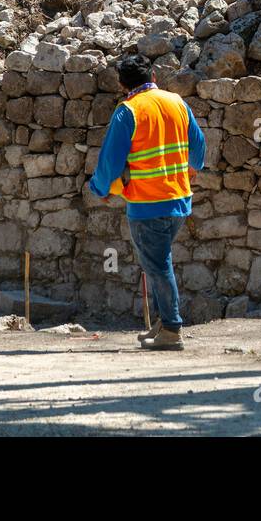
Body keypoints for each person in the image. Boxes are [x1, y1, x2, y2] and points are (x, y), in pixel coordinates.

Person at [89, 55, 206, 350]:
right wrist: (194, 168)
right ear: (153, 74)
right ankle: (165, 320)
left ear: (121, 84)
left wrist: (100, 188)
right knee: (158, 263)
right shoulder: (177, 102)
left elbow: (111, 159)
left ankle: (171, 328)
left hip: (147, 203)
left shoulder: (127, 110)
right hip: (179, 199)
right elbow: (199, 144)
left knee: (157, 266)